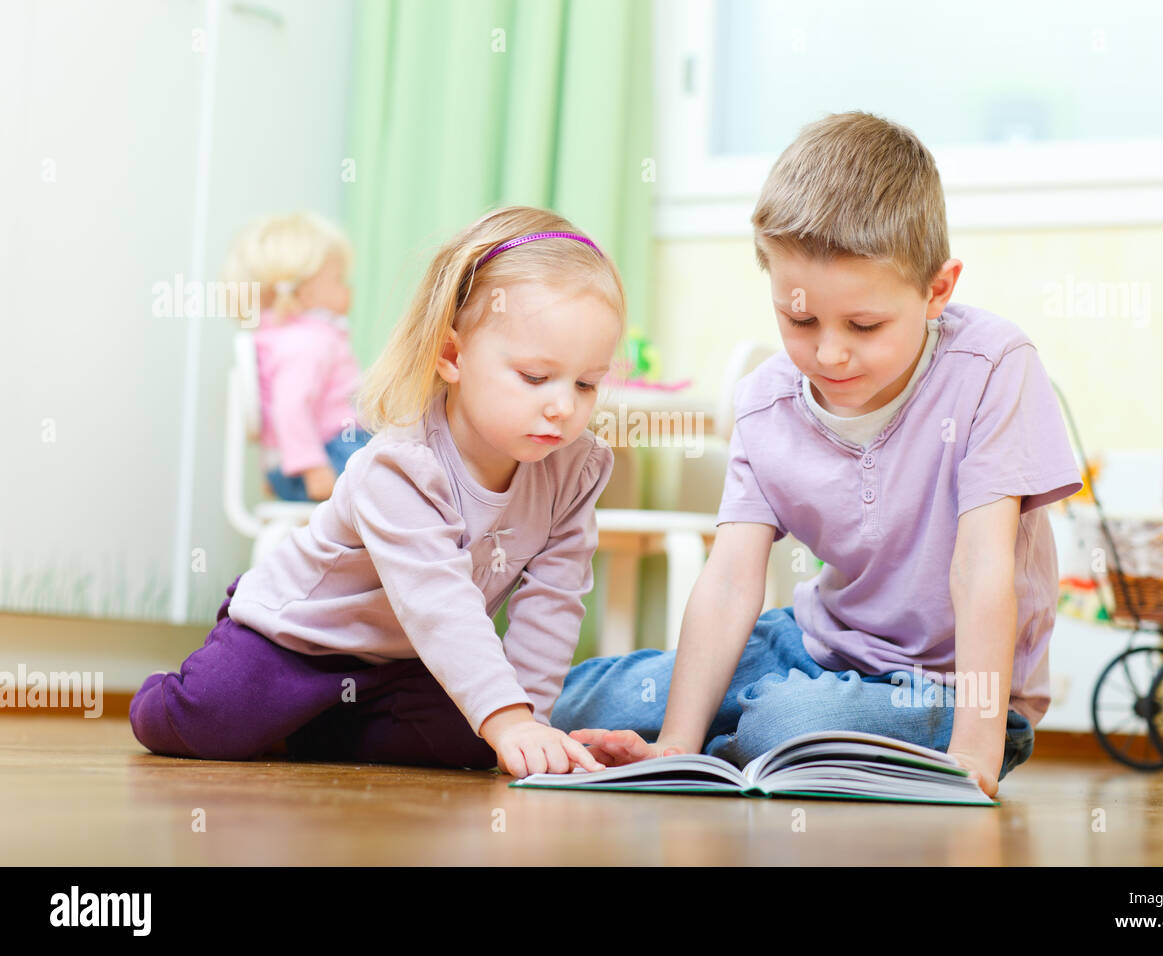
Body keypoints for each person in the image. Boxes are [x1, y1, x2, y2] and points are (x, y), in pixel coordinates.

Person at [553, 112, 1083, 799]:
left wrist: (974, 754)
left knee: (792, 721)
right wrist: (673, 749)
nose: (828, 353)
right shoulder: (766, 402)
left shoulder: (991, 367)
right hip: (809, 645)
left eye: (864, 325)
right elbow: (729, 582)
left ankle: (756, 728)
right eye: (799, 320)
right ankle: (722, 735)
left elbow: (983, 568)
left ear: (937, 290)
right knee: (580, 701)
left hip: (953, 692)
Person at [132, 207, 623, 777]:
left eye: (587, 383)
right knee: (215, 717)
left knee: (471, 742)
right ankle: (171, 699)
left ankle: (309, 726)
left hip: (405, 661)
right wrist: (507, 719)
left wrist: (527, 720)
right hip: (299, 638)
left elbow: (554, 600)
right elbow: (440, 604)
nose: (564, 406)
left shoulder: (577, 468)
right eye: (536, 378)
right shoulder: (401, 466)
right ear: (451, 355)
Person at [223, 211, 371, 502]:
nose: (348, 289)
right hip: (328, 457)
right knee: (403, 476)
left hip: (303, 463)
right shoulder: (308, 342)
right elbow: (290, 407)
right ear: (304, 292)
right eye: (339, 279)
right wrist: (311, 468)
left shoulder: (283, 339)